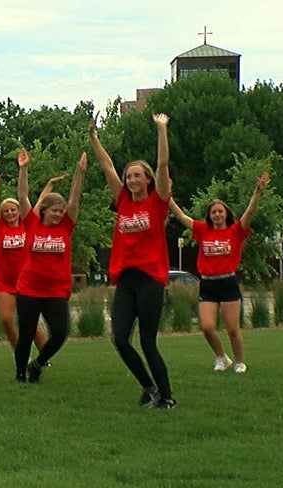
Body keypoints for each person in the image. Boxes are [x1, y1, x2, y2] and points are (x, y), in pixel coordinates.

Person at [89, 112, 176, 409]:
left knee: (148, 342)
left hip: (151, 278)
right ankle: (149, 387)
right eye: (129, 176)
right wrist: (93, 138)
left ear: (148, 179)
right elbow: (106, 165)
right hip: (126, 280)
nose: (131, 179)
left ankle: (167, 397)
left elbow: (163, 164)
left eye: (138, 175)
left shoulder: (157, 202)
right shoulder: (123, 200)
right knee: (121, 340)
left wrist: (161, 129)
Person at [170, 172, 270, 374]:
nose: (217, 215)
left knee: (232, 329)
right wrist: (168, 196)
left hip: (228, 283)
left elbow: (249, 213)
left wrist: (258, 192)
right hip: (208, 284)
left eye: (220, 212)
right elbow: (181, 216)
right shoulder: (202, 230)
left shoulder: (235, 231)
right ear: (210, 215)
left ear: (226, 214)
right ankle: (221, 357)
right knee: (207, 327)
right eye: (214, 212)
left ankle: (240, 362)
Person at [13, 153, 87, 383]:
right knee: (26, 334)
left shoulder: (66, 226)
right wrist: (23, 169)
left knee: (60, 333)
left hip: (56, 291)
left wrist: (80, 173)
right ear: (43, 210)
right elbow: (22, 196)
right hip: (29, 289)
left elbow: (75, 199)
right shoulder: (32, 222)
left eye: (61, 211)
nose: (59, 214)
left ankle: (37, 363)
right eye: (55, 210)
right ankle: (20, 374)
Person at [0, 151, 58, 352]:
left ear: (19, 211)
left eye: (12, 210)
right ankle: (20, 354)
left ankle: (44, 357)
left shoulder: (28, 225)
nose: (9, 213)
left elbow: (38, 202)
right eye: (5, 211)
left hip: (26, 281)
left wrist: (49, 185)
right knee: (7, 320)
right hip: (5, 282)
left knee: (30, 322)